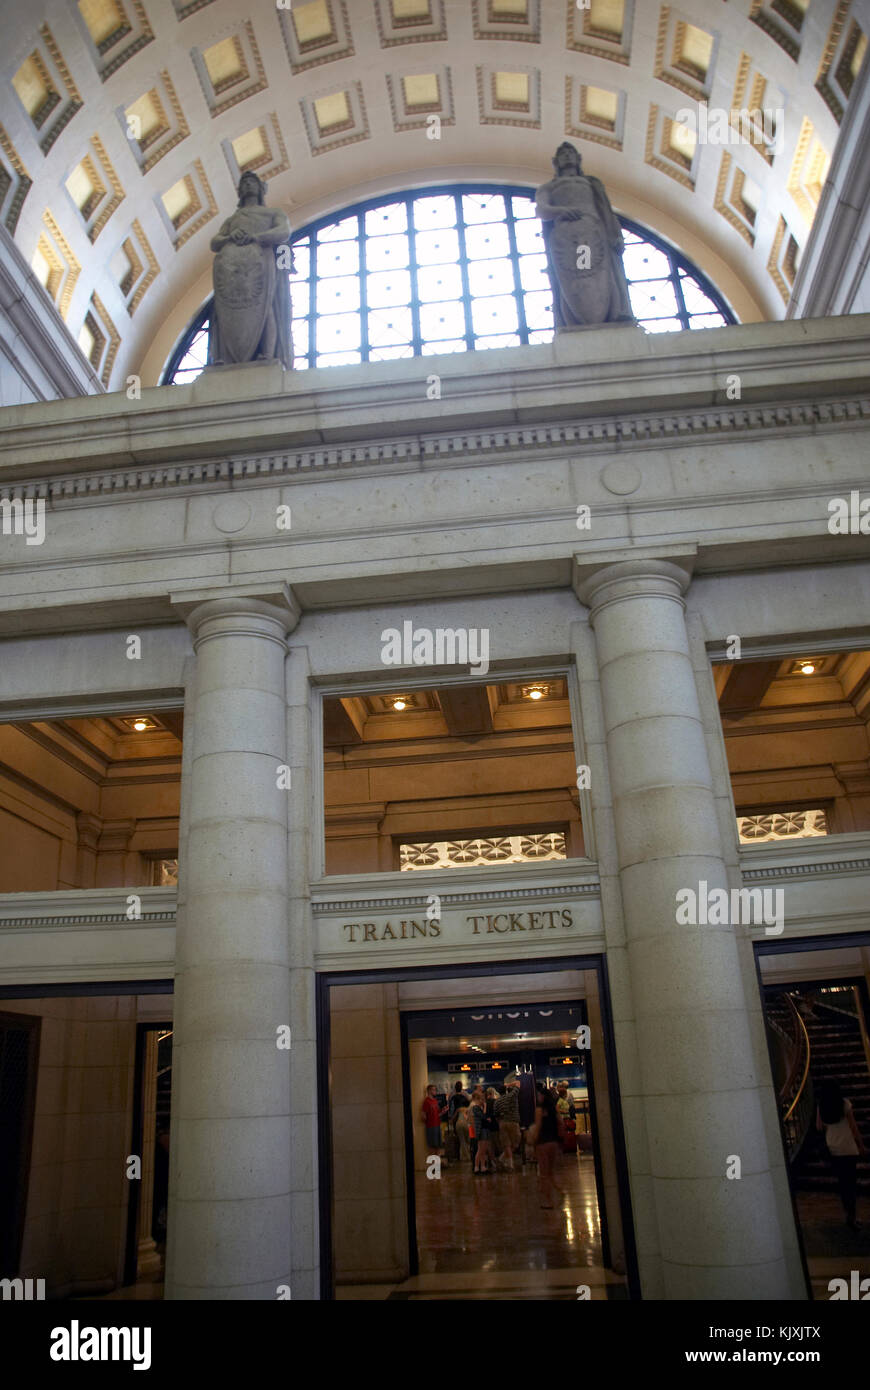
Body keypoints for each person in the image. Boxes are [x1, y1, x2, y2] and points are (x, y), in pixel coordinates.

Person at [209, 170, 293, 368]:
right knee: (225, 312)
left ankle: (268, 353)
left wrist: (258, 236)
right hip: (233, 268)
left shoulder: (273, 213)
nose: (247, 185)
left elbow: (283, 231)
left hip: (261, 264)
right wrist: (230, 237)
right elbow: (214, 242)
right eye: (244, 183)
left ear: (260, 188)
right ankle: (223, 356)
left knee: (266, 307)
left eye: (251, 182)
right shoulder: (233, 219)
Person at [817, 1078, 866, 1228]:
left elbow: (819, 1127)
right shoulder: (844, 1103)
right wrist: (861, 1145)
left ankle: (847, 1214)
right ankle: (853, 1216)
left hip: (833, 1147)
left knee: (843, 1183)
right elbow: (853, 1127)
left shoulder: (821, 1106)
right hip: (847, 1147)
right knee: (851, 1183)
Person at [527, 1083, 561, 1208]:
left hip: (542, 1143)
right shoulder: (554, 1108)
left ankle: (548, 1201)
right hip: (553, 1142)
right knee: (551, 1172)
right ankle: (560, 1191)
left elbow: (538, 1126)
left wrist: (533, 1141)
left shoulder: (539, 1109)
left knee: (544, 1174)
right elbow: (561, 1123)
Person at [494, 1080, 521, 1171]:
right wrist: (508, 1084)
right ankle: (506, 1161)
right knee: (515, 1143)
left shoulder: (497, 1101)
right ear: (506, 1090)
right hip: (513, 1122)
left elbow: (496, 1115)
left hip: (502, 1123)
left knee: (507, 1144)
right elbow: (518, 1083)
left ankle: (507, 1162)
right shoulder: (511, 1096)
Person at [422, 1083, 448, 1165]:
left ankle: (437, 1166)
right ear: (429, 1091)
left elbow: (438, 1114)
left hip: (437, 1125)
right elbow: (423, 1115)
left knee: (438, 1146)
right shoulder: (426, 1102)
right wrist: (427, 1119)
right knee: (432, 1147)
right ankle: (432, 1166)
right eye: (433, 1090)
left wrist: (443, 1111)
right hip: (431, 1126)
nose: (435, 1091)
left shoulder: (435, 1101)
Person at [471, 1087, 492, 1175]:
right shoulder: (475, 1108)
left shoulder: (478, 1107)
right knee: (480, 1150)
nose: (482, 1101)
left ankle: (483, 1167)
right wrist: (485, 1107)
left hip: (485, 1129)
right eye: (481, 1099)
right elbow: (483, 1116)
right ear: (476, 1099)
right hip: (481, 1130)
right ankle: (476, 1167)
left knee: (484, 1150)